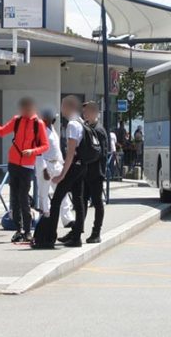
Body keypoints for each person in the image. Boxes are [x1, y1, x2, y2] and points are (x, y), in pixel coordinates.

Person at [0, 97, 49, 243]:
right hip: (13, 162)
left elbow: (45, 146)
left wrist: (32, 151)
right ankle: (18, 229)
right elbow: (2, 132)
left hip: (27, 165)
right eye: (23, 107)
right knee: (14, 198)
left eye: (28, 107)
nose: (25, 110)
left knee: (23, 197)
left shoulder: (37, 123)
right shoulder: (17, 120)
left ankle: (28, 231)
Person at [50, 95, 103, 247]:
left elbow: (71, 152)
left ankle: (50, 236)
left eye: (62, 105)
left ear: (68, 107)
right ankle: (76, 236)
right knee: (79, 201)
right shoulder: (81, 122)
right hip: (83, 166)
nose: (61, 109)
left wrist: (62, 175)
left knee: (56, 200)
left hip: (74, 166)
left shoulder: (72, 125)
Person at [35, 108, 75, 227]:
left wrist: (63, 166)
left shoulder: (52, 130)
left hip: (56, 164)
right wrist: (43, 168)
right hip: (46, 164)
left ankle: (67, 219)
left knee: (62, 191)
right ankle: (46, 219)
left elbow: (56, 150)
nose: (55, 119)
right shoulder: (39, 132)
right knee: (44, 193)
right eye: (53, 117)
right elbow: (38, 152)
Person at [77, 101, 106, 244]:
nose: (84, 115)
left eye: (87, 112)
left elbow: (102, 153)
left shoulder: (99, 130)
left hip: (96, 172)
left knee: (97, 202)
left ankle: (96, 232)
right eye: (83, 113)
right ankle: (77, 231)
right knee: (82, 201)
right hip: (86, 172)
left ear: (94, 112)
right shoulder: (87, 127)